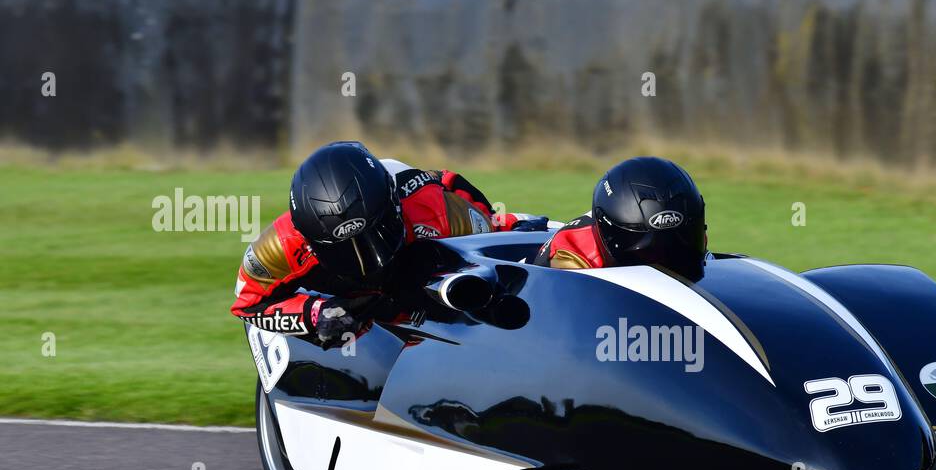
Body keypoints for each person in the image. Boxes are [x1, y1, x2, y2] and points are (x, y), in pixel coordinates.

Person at [231, 140, 539, 347]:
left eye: (372, 236)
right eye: (341, 248)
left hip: (424, 246)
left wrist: (515, 236)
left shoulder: (434, 210)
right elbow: (246, 305)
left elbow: (491, 249)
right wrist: (315, 313)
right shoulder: (280, 244)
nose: (364, 260)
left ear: (393, 209)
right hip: (343, 298)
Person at [533, 157, 707, 276]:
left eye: (677, 250)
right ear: (608, 237)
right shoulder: (569, 263)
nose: (664, 264)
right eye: (648, 255)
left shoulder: (692, 242)